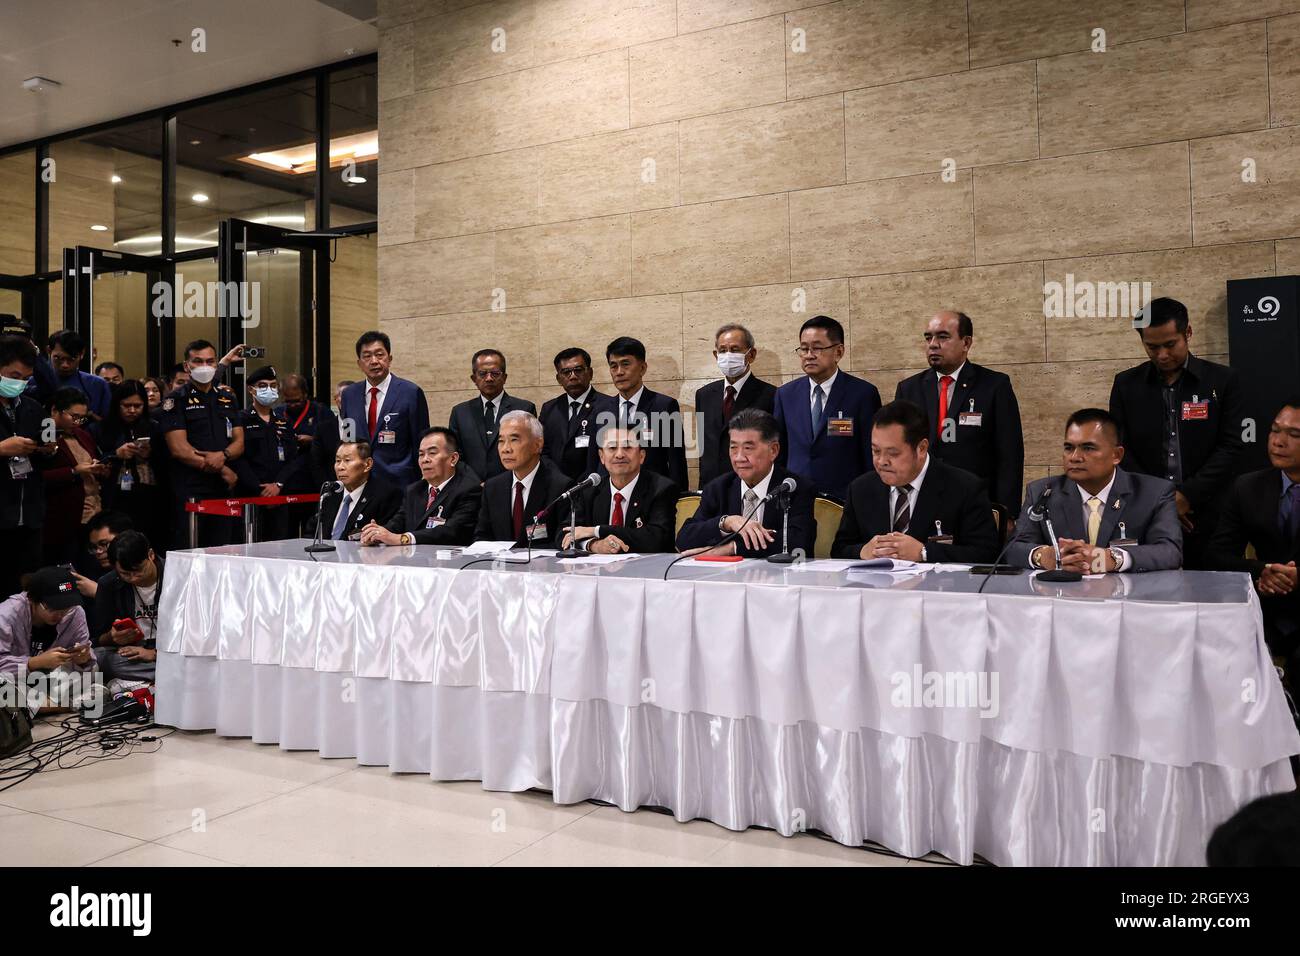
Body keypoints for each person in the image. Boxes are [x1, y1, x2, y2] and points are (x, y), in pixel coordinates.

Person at [1108, 296, 1245, 570]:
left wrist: (1186, 496)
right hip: (1146, 513)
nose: (1162, 355)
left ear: (1188, 333)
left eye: (1170, 344)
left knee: (1212, 594)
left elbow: (1230, 447)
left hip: (1209, 513)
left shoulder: (1222, 380)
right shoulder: (1126, 384)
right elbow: (1121, 450)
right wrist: (1161, 501)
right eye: (1152, 347)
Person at [1006, 408, 1182, 573]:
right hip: (1063, 598)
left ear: (1116, 455)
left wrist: (1112, 558)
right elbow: (1013, 548)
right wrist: (1043, 556)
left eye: (1088, 448)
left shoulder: (1154, 493)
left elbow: (1170, 551)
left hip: (1126, 599)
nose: (1075, 457)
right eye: (1069, 448)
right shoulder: (1043, 492)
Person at [831, 400, 999, 563]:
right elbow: (839, 550)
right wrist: (863, 551)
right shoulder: (861, 489)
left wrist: (924, 552)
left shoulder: (965, 488)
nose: (882, 461)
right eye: (876, 451)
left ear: (921, 448)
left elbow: (986, 553)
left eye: (893, 453)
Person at [1205, 399, 1300, 679]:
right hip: (1265, 611)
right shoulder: (1248, 487)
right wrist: (1262, 571)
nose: (1278, 442)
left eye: (1294, 435)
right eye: (1274, 431)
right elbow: (1216, 556)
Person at [894, 311, 1024, 511]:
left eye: (943, 337)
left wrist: (1006, 511)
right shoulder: (909, 389)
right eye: (928, 338)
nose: (933, 344)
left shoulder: (994, 386)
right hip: (920, 502)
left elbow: (1010, 455)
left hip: (976, 503)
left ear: (966, 343)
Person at [676, 408, 815, 558]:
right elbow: (684, 539)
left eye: (748, 448)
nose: (739, 458)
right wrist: (726, 522)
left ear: (773, 450)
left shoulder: (794, 487)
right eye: (733, 448)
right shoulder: (718, 488)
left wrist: (732, 548)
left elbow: (799, 542)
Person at [772, 315, 880, 500]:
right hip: (796, 499)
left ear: (838, 352)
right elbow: (779, 452)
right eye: (804, 348)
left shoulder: (862, 394)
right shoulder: (785, 394)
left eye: (817, 348)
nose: (809, 355)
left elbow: (870, 455)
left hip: (845, 500)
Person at [159, 339, 244, 549]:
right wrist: (222, 467)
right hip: (191, 487)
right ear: (187, 366)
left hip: (223, 489)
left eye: (210, 361)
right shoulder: (175, 400)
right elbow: (179, 449)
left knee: (223, 548)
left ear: (216, 364)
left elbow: (239, 441)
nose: (204, 366)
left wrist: (223, 455)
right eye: (198, 361)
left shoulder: (227, 398)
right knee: (191, 548)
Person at [0, 335, 57, 598]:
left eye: (25, 378)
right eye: (13, 375)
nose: (19, 383)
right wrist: (2, 448)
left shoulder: (34, 408)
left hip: (29, 516)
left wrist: (48, 449)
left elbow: (49, 449)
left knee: (25, 592)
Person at [564, 425, 679, 554]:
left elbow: (657, 540)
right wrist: (593, 545)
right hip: (597, 571)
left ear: (641, 456)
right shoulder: (590, 490)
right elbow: (564, 534)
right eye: (612, 448)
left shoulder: (662, 488)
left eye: (627, 447)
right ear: (601, 456)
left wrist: (596, 530)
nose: (619, 455)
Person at [361, 426, 482, 547]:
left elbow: (452, 531)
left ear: (453, 458)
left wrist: (404, 538)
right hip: (412, 560)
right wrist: (377, 534)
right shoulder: (414, 490)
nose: (425, 460)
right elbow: (398, 523)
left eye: (432, 453)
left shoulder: (468, 490)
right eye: (421, 454)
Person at [339, 331, 429, 489]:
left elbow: (420, 442)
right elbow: (348, 439)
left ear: (390, 358)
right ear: (359, 363)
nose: (374, 361)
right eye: (367, 356)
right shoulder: (349, 395)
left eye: (379, 355)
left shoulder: (410, 392)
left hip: (399, 483)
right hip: (360, 482)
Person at [472, 411, 572, 548]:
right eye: (501, 441)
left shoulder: (561, 487)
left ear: (538, 445)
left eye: (514, 440)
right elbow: (482, 536)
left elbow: (563, 540)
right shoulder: (493, 487)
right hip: (499, 566)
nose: (506, 449)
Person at [695, 324, 776, 489]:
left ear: (751, 354)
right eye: (723, 350)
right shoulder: (704, 395)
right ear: (715, 355)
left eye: (735, 349)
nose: (728, 355)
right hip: (711, 488)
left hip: (751, 487)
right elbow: (705, 447)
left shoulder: (771, 395)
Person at [603, 336, 688, 489]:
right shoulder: (602, 409)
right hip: (613, 497)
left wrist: (679, 499)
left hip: (654, 495)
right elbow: (596, 462)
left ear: (642, 368)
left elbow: (677, 463)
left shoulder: (664, 406)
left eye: (625, 364)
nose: (619, 372)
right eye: (613, 366)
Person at [232, 365, 305, 541]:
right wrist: (259, 489)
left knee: (279, 547)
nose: (269, 390)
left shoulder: (282, 421)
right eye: (263, 386)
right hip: (250, 497)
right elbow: (238, 458)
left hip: (279, 496)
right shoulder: (240, 419)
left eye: (273, 386)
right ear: (251, 389)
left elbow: (293, 459)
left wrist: (278, 485)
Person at [92, 381, 167, 553]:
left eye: (137, 406)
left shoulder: (154, 427)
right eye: (126, 405)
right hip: (114, 497)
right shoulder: (102, 428)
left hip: (149, 498)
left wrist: (150, 454)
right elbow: (92, 460)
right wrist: (116, 455)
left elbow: (168, 461)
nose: (132, 410)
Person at [449, 348, 536, 483]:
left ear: (505, 377)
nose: (489, 378)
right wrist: (473, 482)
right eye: (482, 373)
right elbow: (455, 455)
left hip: (510, 486)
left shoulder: (524, 409)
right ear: (474, 378)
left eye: (495, 373)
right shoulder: (460, 412)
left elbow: (529, 452)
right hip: (471, 489)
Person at [42, 388, 108, 565]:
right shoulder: (44, 433)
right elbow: (38, 477)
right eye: (74, 416)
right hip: (61, 516)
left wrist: (98, 468)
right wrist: (73, 471)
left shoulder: (82, 434)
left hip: (92, 511)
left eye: (82, 417)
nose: (78, 421)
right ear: (55, 410)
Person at [91, 530, 161, 690]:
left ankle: (139, 681)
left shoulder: (176, 576)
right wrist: (112, 637)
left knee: (195, 658)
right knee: (98, 657)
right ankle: (163, 676)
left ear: (150, 555)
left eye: (138, 570)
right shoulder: (109, 584)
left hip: (168, 652)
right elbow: (97, 640)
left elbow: (193, 635)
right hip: (134, 653)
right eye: (125, 574)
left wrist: (155, 654)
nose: (133, 578)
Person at [539, 348, 617, 482]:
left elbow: (611, 452)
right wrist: (557, 478)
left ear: (590, 373)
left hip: (593, 487)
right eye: (566, 372)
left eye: (578, 370)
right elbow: (542, 450)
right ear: (558, 378)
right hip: (556, 487)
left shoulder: (609, 406)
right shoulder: (549, 408)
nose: (573, 376)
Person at [0, 565, 93, 676]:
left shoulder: (74, 612)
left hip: (52, 679)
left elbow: (85, 653)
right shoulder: (6, 615)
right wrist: (35, 663)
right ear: (32, 599)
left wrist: (83, 659)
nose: (59, 614)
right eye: (53, 608)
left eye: (65, 608)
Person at [278, 372, 340, 536]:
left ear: (305, 395)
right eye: (288, 401)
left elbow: (333, 444)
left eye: (296, 400)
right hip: (286, 484)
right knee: (286, 534)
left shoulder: (321, 412)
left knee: (311, 533)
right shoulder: (277, 413)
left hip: (313, 482)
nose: (292, 405)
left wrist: (313, 440)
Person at [315, 440, 402, 542]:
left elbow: (386, 538)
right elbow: (312, 533)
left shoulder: (386, 495)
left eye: (347, 460)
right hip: (323, 556)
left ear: (367, 464)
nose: (340, 467)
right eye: (338, 461)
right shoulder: (330, 494)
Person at [32, 330, 111, 421]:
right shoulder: (34, 382)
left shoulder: (97, 385)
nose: (65, 365)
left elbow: (107, 424)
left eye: (71, 359)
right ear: (49, 351)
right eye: (58, 358)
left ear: (82, 354)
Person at [71, 511, 134, 601]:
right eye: (94, 547)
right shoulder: (94, 572)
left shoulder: (142, 570)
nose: (98, 552)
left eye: (104, 544)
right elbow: (63, 587)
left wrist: (99, 592)